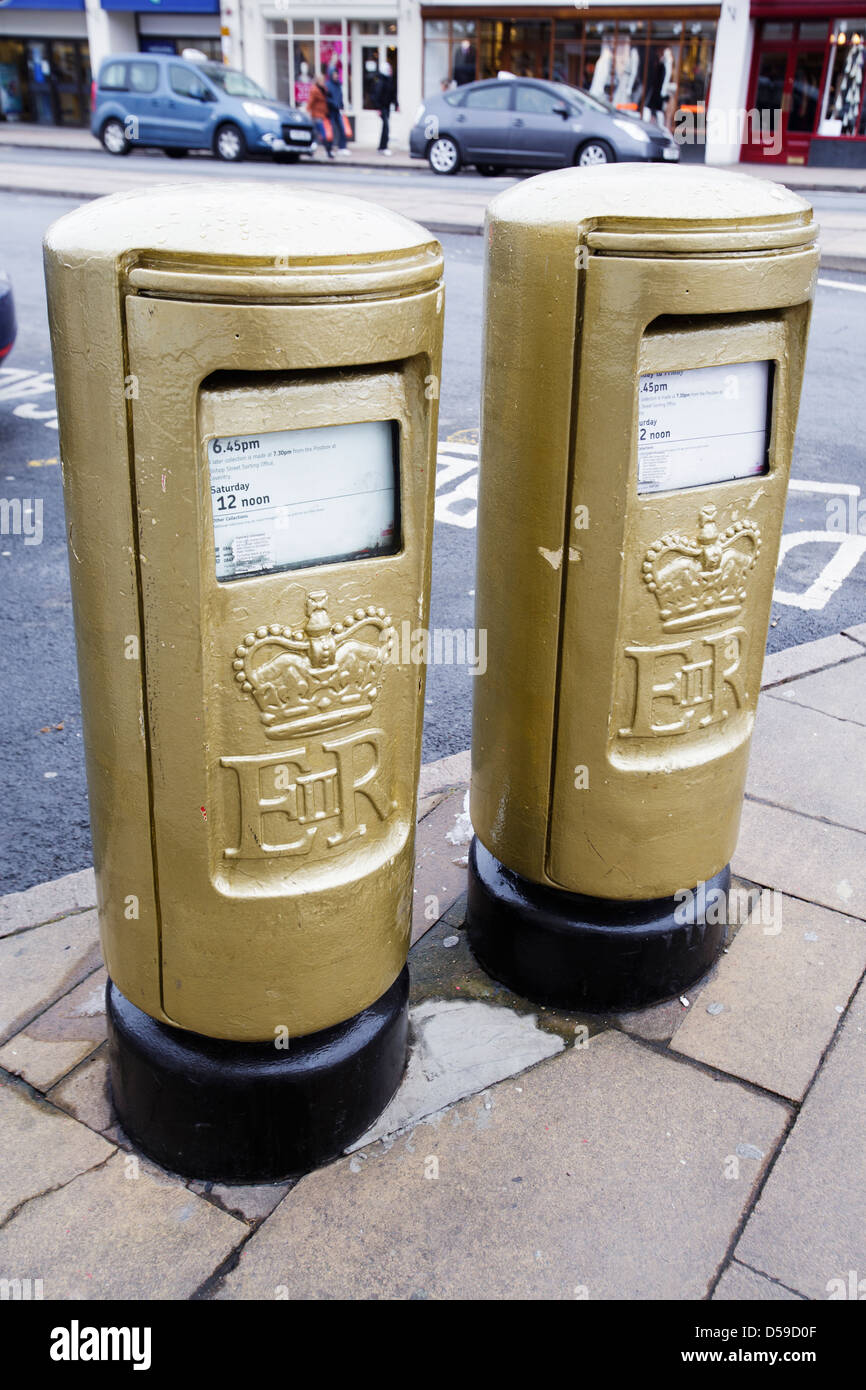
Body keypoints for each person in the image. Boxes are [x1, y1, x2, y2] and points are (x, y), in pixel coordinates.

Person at [369, 62, 395, 155]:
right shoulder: (380, 81)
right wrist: (378, 108)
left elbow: (392, 94)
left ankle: (382, 147)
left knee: (385, 127)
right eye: (389, 69)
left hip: (387, 107)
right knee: (386, 127)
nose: (390, 71)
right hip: (382, 107)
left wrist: (396, 103)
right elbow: (376, 96)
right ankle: (383, 147)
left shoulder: (389, 80)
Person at [324, 67, 350, 157]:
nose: (336, 76)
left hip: (337, 111)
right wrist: (334, 104)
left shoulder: (339, 85)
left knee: (342, 128)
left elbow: (340, 96)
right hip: (330, 111)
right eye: (334, 74)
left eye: (337, 74)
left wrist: (341, 105)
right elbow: (326, 98)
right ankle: (329, 148)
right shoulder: (327, 85)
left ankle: (342, 147)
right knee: (330, 130)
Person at [306, 74, 333, 158]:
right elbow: (310, 102)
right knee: (321, 134)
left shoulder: (324, 89)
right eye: (321, 80)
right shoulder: (315, 90)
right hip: (316, 115)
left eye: (323, 80)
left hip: (323, 115)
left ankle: (312, 151)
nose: (323, 82)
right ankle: (328, 151)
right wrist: (307, 111)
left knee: (316, 134)